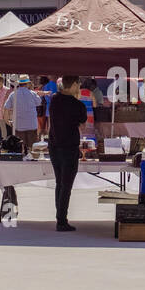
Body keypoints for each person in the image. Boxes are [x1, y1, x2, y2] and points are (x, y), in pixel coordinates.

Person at [48, 75, 87, 231]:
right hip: (69, 147)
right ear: (73, 85)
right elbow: (82, 122)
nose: (79, 87)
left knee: (60, 183)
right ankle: (61, 220)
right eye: (78, 85)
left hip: (54, 146)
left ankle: (60, 216)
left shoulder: (54, 100)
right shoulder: (78, 105)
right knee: (66, 185)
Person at [6, 75, 41, 154]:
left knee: (19, 148)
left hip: (19, 125)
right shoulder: (32, 93)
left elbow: (6, 107)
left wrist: (7, 120)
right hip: (31, 124)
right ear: (27, 84)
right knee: (32, 148)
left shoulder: (13, 94)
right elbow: (39, 102)